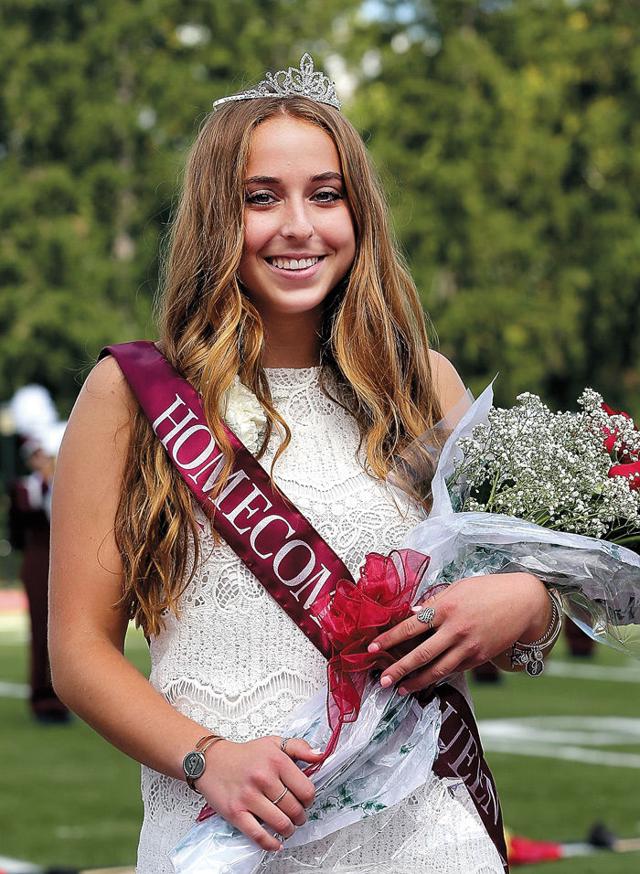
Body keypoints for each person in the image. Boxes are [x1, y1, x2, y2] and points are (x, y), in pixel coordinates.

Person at [49, 56, 559, 873]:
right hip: (227, 838)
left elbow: (521, 628)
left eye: (326, 195)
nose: (299, 226)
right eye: (261, 198)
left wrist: (528, 602)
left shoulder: (425, 384)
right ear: (217, 216)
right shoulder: (132, 394)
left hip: (427, 839)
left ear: (359, 213)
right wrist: (205, 756)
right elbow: (78, 653)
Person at [9, 439, 69, 723]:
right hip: (37, 559)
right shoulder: (24, 488)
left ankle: (63, 698)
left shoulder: (64, 482)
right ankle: (41, 698)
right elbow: (19, 529)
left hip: (62, 559)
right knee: (39, 627)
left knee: (64, 629)